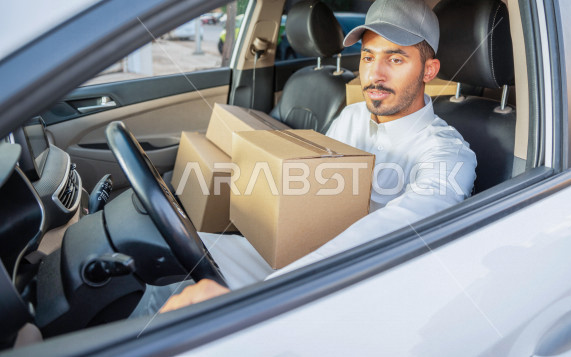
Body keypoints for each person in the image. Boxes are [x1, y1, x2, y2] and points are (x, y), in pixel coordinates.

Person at [160, 0, 476, 312]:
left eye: (395, 60)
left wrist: (270, 291)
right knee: (172, 258)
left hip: (343, 285)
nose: (374, 74)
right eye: (367, 56)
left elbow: (394, 231)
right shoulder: (351, 116)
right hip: (294, 253)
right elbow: (313, 196)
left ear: (428, 71)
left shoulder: (448, 154)